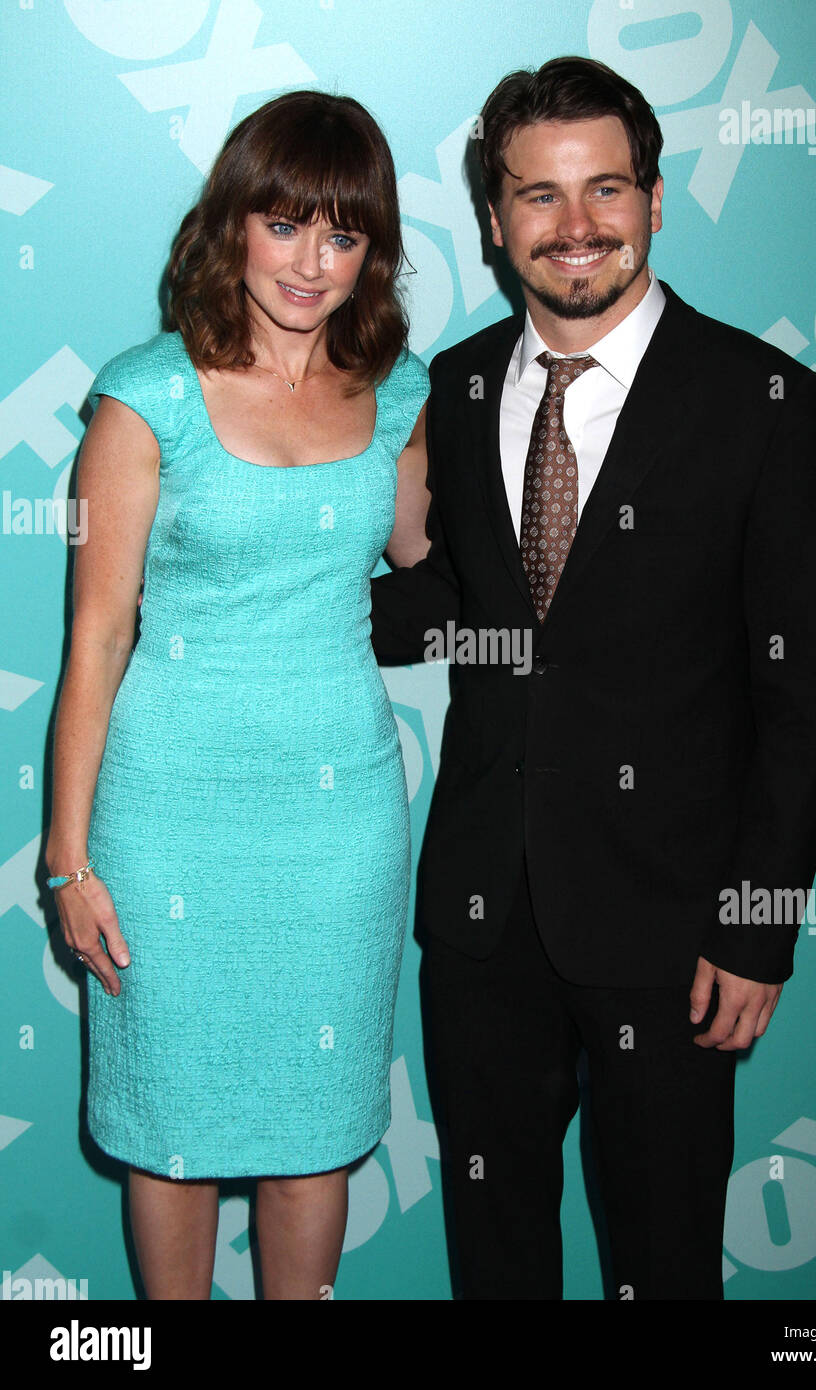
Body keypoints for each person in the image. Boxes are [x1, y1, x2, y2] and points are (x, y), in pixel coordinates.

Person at [370, 56, 816, 1299]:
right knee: (497, 1261)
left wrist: (758, 927)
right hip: (481, 915)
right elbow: (439, 608)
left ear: (650, 200)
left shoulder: (765, 402)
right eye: (538, 196)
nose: (574, 227)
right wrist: (242, 601)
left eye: (604, 191)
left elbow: (800, 696)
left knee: (664, 1257)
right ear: (493, 220)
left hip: (674, 927)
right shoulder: (455, 384)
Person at [44, 89, 431, 1300]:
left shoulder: (401, 393)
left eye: (343, 234)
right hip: (167, 812)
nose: (311, 262)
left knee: (314, 1127)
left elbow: (426, 556)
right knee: (173, 1116)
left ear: (371, 252)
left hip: (337, 823)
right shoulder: (143, 395)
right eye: (283, 224)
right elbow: (98, 639)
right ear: (233, 225)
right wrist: (67, 857)